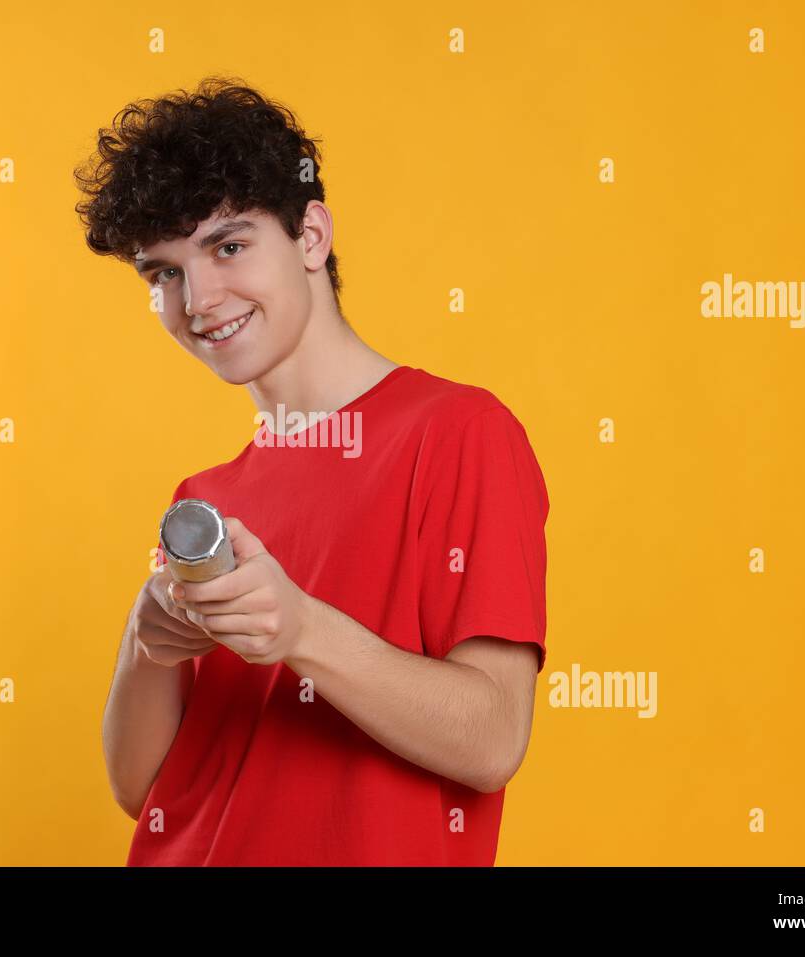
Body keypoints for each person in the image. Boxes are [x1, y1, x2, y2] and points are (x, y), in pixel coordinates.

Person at [75, 75, 549, 865]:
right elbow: (143, 788)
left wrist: (299, 629)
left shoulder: (460, 433)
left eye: (228, 246)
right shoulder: (205, 501)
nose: (198, 298)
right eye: (162, 272)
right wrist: (146, 640)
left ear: (310, 237)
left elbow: (494, 735)